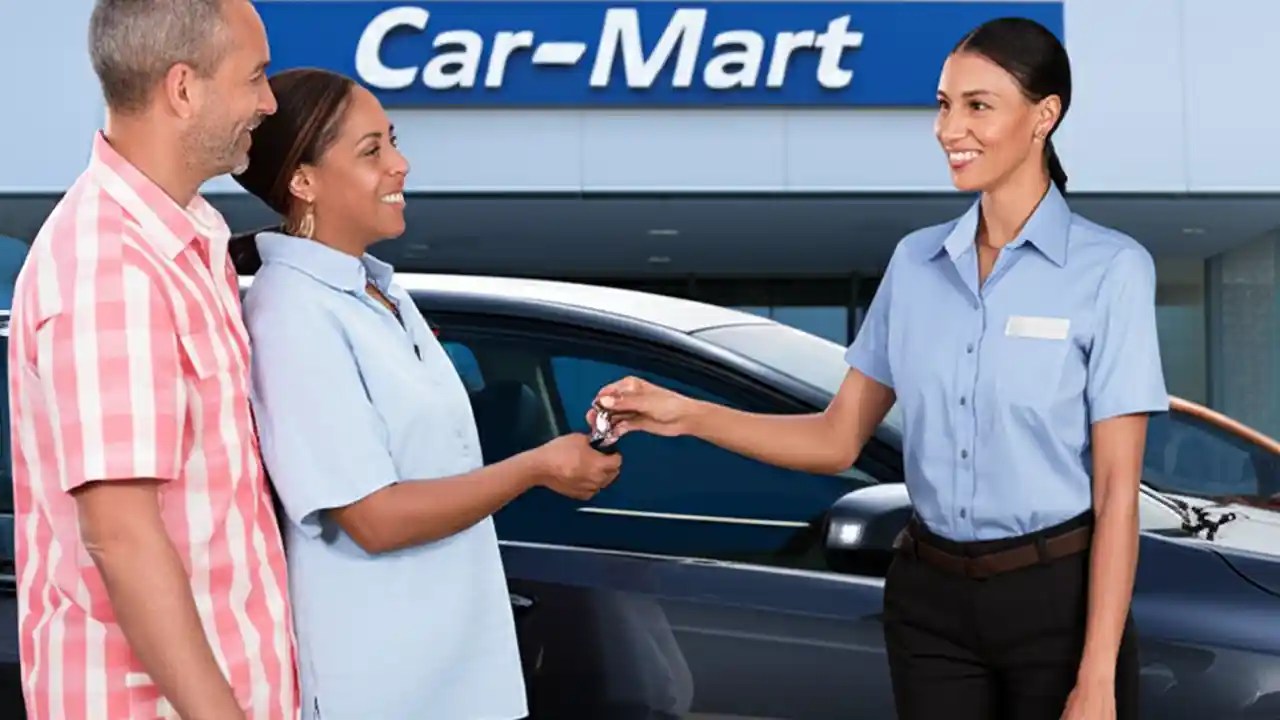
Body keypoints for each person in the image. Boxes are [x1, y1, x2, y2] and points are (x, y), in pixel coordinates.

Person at [590, 16, 1164, 720]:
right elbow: (836, 440)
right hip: (932, 604)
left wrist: (1097, 674)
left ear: (1044, 116)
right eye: (944, 104)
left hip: (1058, 603)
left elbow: (1116, 493)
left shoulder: (1111, 269)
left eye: (978, 106)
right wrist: (685, 414)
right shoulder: (916, 264)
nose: (950, 128)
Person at [229, 67, 623, 720]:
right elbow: (373, 518)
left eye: (393, 141)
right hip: (385, 684)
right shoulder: (291, 314)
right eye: (371, 150)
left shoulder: (380, 292)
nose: (400, 164)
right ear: (303, 182)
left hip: (452, 669)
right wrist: (535, 468)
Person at [7, 1, 297, 719]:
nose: (268, 102)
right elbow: (122, 535)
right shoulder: (111, 263)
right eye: (254, 77)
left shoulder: (184, 241)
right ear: (183, 88)